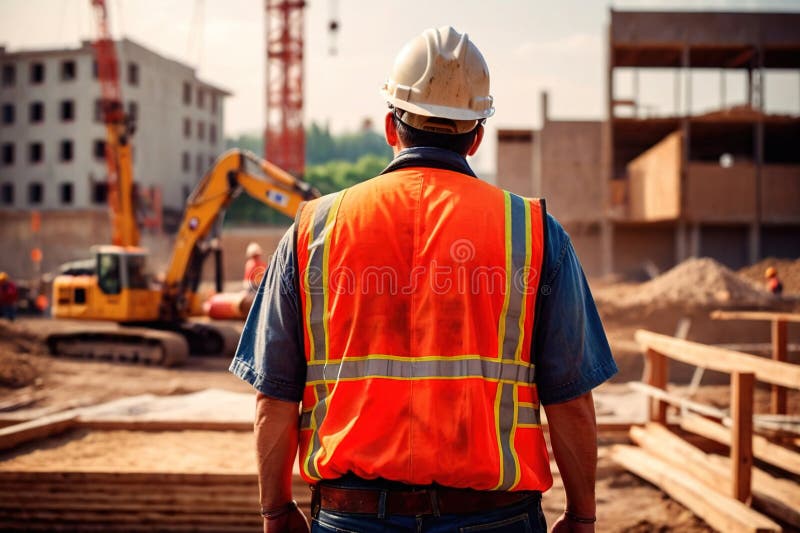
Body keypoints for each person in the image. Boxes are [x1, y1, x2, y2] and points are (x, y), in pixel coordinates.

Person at [231, 26, 617, 533]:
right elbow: (570, 401)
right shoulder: (533, 234)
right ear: (477, 136)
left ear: (392, 128)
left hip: (353, 517)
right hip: (493, 520)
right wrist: (583, 515)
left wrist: (276, 510)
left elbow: (274, 397)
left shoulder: (313, 230)